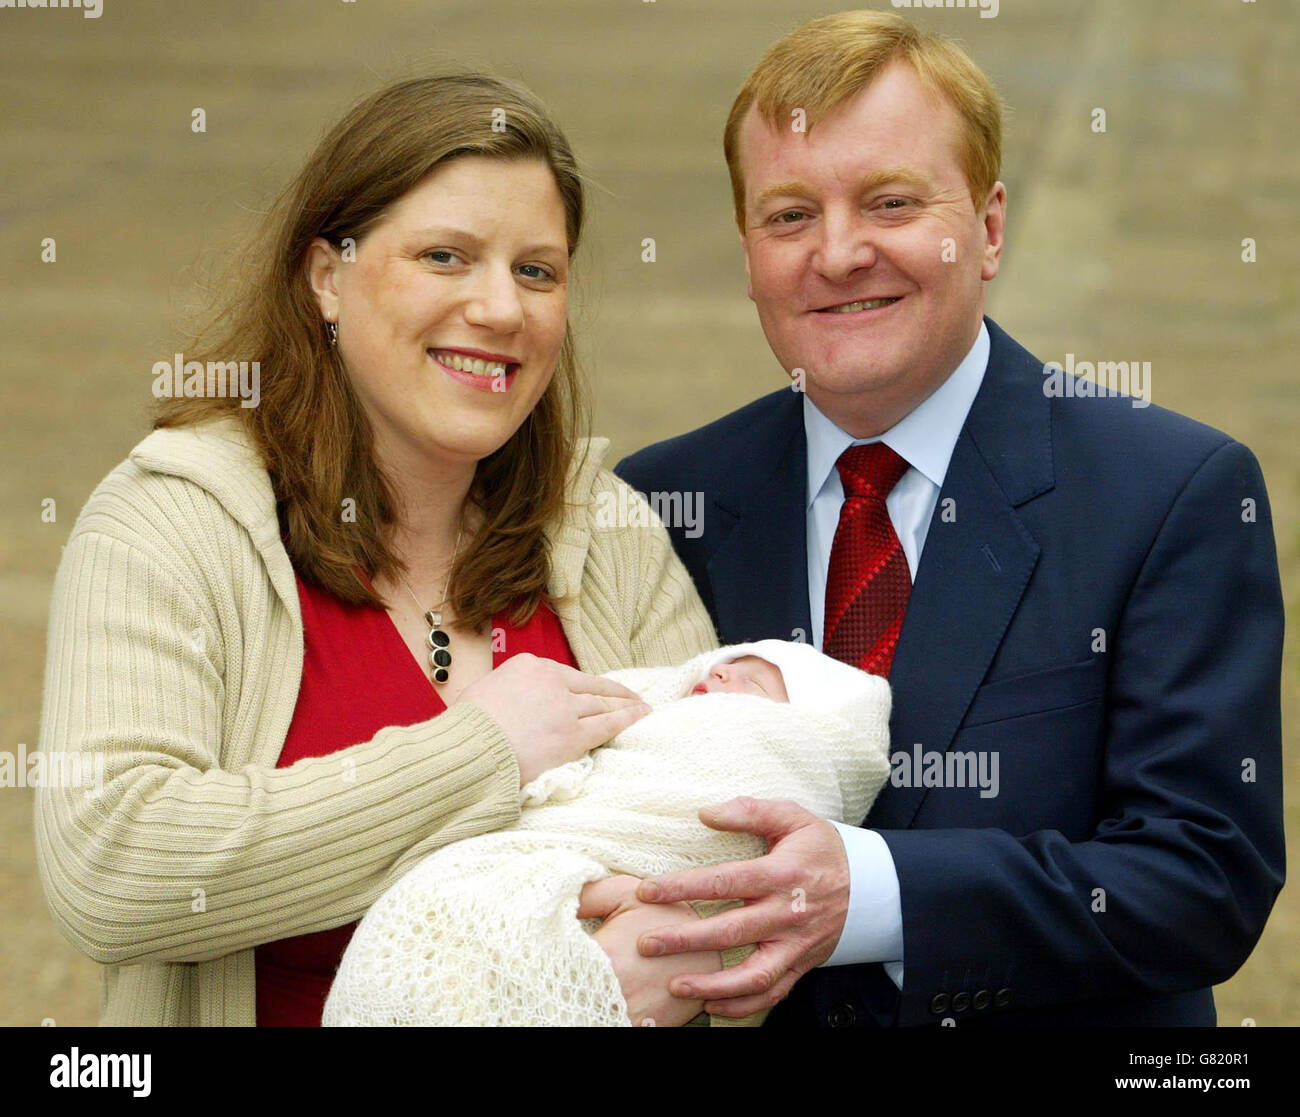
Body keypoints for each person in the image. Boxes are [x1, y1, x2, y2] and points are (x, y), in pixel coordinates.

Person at [614, 9, 1285, 1027]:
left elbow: (1201, 879)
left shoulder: (1168, 490)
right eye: (790, 215)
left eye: (888, 201)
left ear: (989, 225)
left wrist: (874, 894)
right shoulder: (664, 503)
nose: (837, 254)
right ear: (747, 250)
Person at [32, 73, 721, 1026]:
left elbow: (733, 831)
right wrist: (481, 755)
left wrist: (662, 974)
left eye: (537, 270)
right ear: (327, 276)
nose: (499, 309)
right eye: (445, 256)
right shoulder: (176, 521)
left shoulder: (605, 534)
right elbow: (112, 863)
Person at [322, 639, 891, 1027]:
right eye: (726, 664)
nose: (720, 673)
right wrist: (484, 752)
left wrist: (695, 951)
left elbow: (737, 830)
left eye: (754, 684)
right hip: (522, 860)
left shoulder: (618, 529)